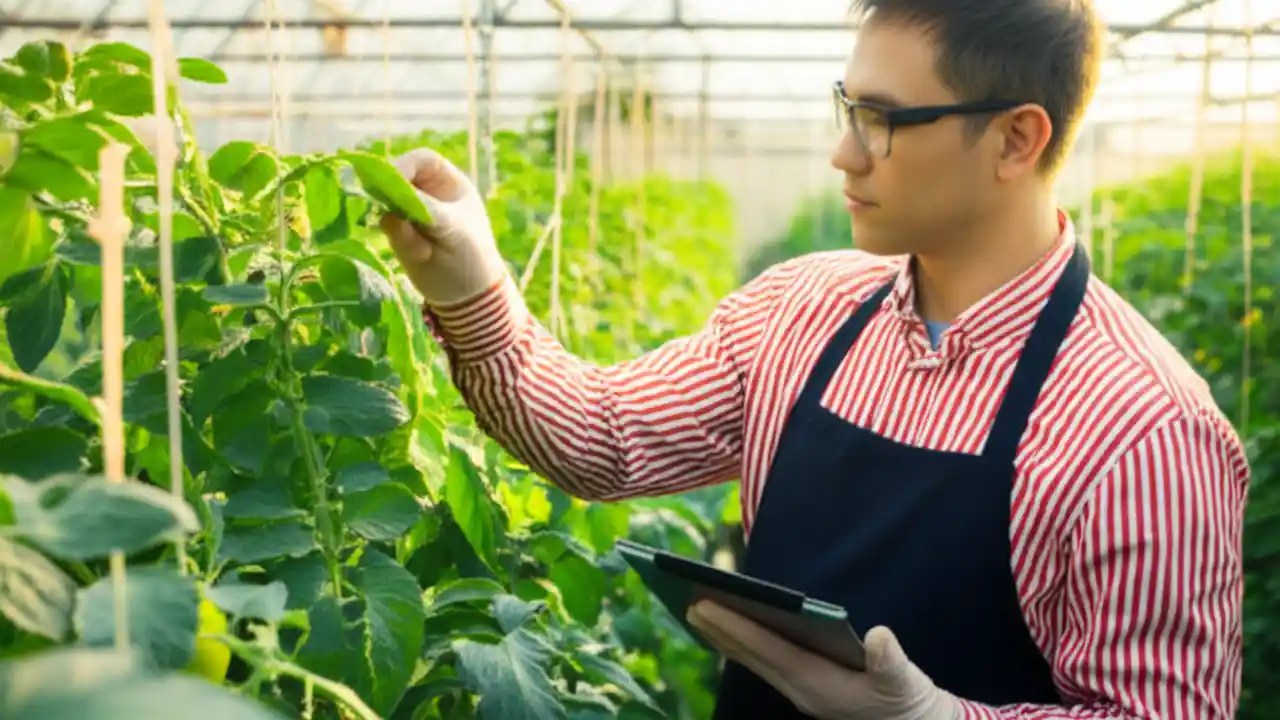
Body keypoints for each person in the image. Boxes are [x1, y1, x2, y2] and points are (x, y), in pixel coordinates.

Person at [379, 0, 1251, 717]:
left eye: (882, 121)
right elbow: (606, 439)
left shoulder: (1145, 430)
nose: (844, 152)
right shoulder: (802, 309)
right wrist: (471, 281)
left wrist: (936, 719)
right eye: (849, 108)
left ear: (1017, 141)